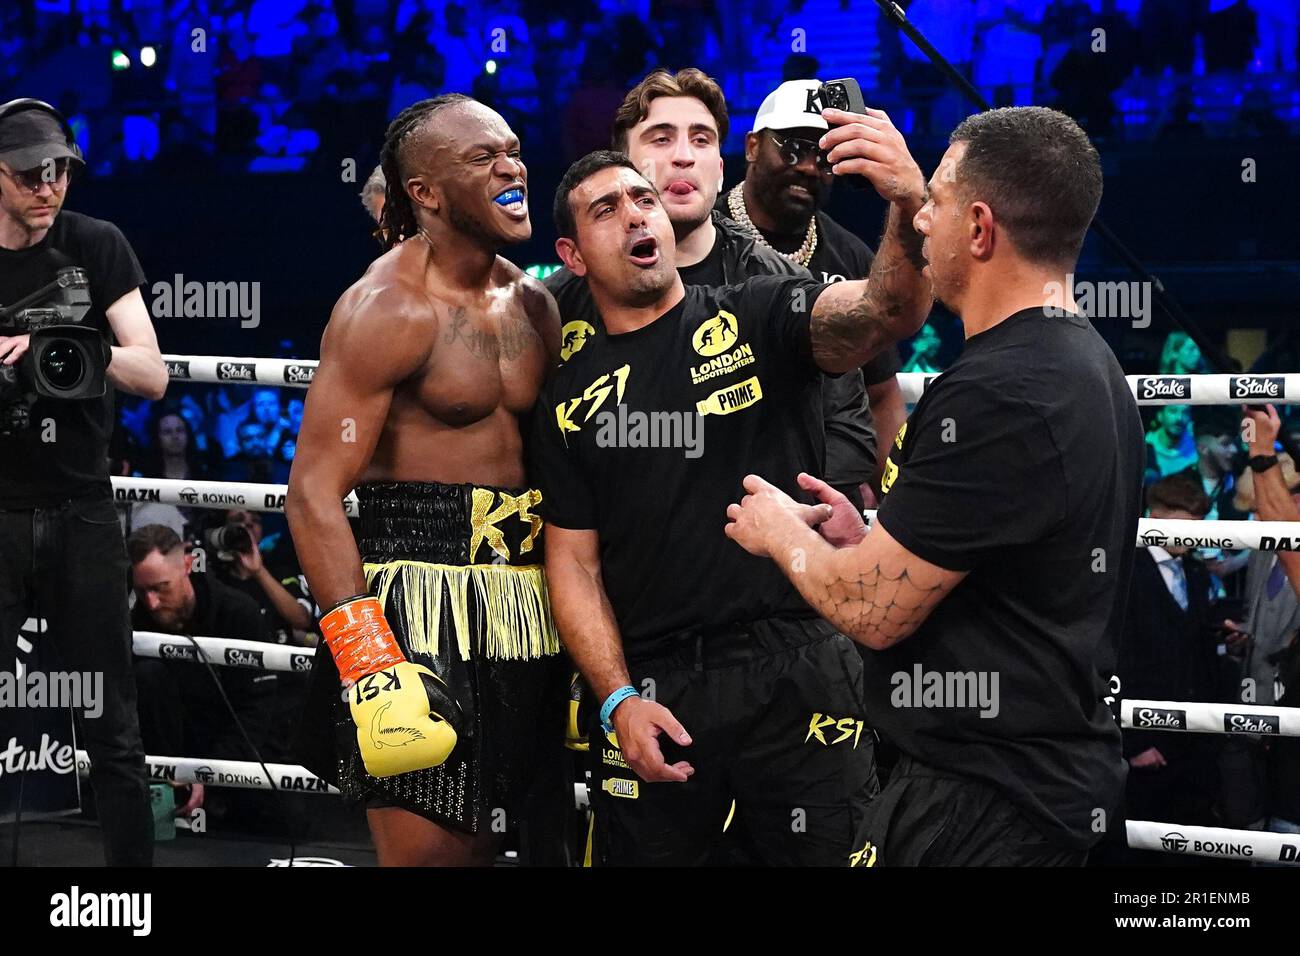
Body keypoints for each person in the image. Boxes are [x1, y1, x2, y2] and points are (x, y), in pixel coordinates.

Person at [725, 107, 1145, 866]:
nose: (922, 219)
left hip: (984, 796)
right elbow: (999, 562)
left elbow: (872, 610)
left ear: (979, 229)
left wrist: (781, 534)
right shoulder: (1085, 363)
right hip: (1033, 781)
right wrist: (873, 542)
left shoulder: (1003, 389)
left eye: (938, 200)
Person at [533, 126, 930, 864]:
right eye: (606, 209)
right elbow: (573, 565)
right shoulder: (566, 395)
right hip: (659, 680)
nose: (635, 214)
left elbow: (887, 313)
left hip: (800, 664)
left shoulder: (758, 309)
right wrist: (618, 698)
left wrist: (909, 201)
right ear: (572, 256)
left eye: (642, 198)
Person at [286, 95, 565, 867]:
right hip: (417, 613)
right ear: (426, 193)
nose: (511, 168)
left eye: (512, 149)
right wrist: (368, 657)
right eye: (482, 157)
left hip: (528, 606)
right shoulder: (388, 308)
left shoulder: (535, 302)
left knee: (525, 848)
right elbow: (313, 490)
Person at [546, 68, 878, 511]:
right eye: (661, 139)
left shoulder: (782, 286)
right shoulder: (557, 302)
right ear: (621, 165)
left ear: (721, 170)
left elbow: (849, 431)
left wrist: (765, 508)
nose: (684, 156)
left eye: (701, 140)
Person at [0, 99, 167, 866]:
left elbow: (153, 373)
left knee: (111, 723)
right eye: (31, 174)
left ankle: (131, 892)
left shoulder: (95, 244)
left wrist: (58, 348)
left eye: (60, 169)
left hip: (81, 510)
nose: (49, 187)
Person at [720, 78, 909, 498]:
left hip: (825, 481)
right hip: (719, 471)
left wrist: (893, 501)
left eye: (824, 157)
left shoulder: (851, 256)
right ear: (752, 147)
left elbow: (880, 395)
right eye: (791, 148)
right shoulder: (704, 235)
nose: (808, 166)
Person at [1108, 472, 1222, 865]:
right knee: (1138, 849)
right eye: (1189, 527)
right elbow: (1113, 659)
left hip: (1194, 741)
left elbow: (1190, 646)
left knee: (1188, 849)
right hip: (1143, 742)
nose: (1196, 539)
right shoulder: (1124, 571)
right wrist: (1131, 745)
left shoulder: (1194, 571)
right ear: (1157, 517)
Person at [128, 523, 281, 814]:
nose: (152, 602)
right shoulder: (136, 621)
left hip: (228, 745)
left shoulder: (237, 612)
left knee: (282, 815)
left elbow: (256, 711)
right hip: (168, 748)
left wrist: (206, 774)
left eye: (161, 588)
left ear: (187, 564)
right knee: (147, 675)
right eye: (142, 590)